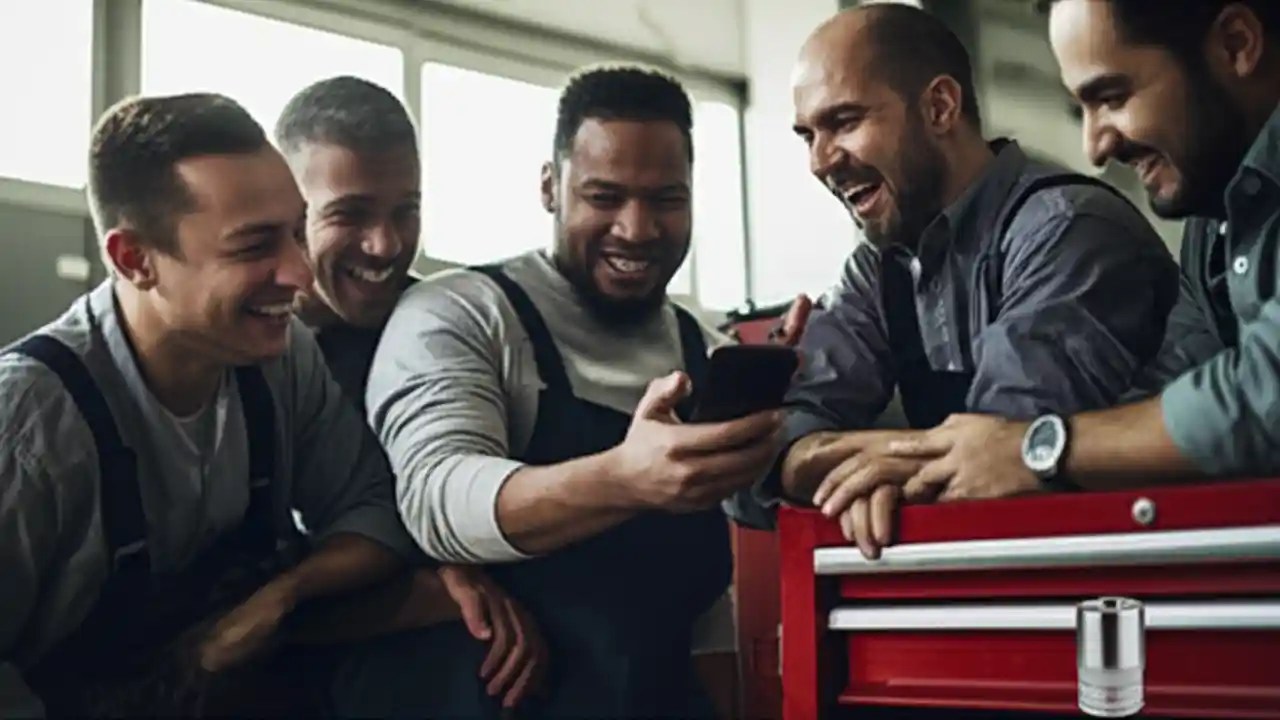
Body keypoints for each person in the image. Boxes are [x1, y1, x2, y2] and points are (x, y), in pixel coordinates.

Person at [0, 93, 507, 718]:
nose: (299, 273)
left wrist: (276, 600)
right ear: (135, 260)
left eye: (297, 232)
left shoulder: (280, 357)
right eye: (254, 247)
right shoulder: (27, 423)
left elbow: (373, 509)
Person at [363, 65, 806, 719]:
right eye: (604, 197)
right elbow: (438, 500)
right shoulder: (459, 315)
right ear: (551, 186)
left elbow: (710, 604)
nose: (637, 228)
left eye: (665, 199)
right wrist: (624, 479)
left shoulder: (706, 352)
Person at [726, 2, 1179, 559]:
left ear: (940, 107)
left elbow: (996, 463)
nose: (821, 161)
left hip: (1126, 591)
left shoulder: (1066, 231)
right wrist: (853, 467)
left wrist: (851, 464)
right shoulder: (880, 267)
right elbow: (747, 466)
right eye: (807, 136)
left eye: (844, 122)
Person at [879, 0, 1280, 502]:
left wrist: (1040, 449)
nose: (1093, 149)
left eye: (1112, 96)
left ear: (1236, 44)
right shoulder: (1213, 227)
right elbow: (1171, 389)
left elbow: (1267, 391)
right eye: (1080, 109)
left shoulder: (1070, 223)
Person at [274, 74, 546, 710]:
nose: (385, 244)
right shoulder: (245, 354)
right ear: (292, 210)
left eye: (406, 211)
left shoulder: (446, 329)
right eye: (350, 214)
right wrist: (424, 587)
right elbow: (233, 610)